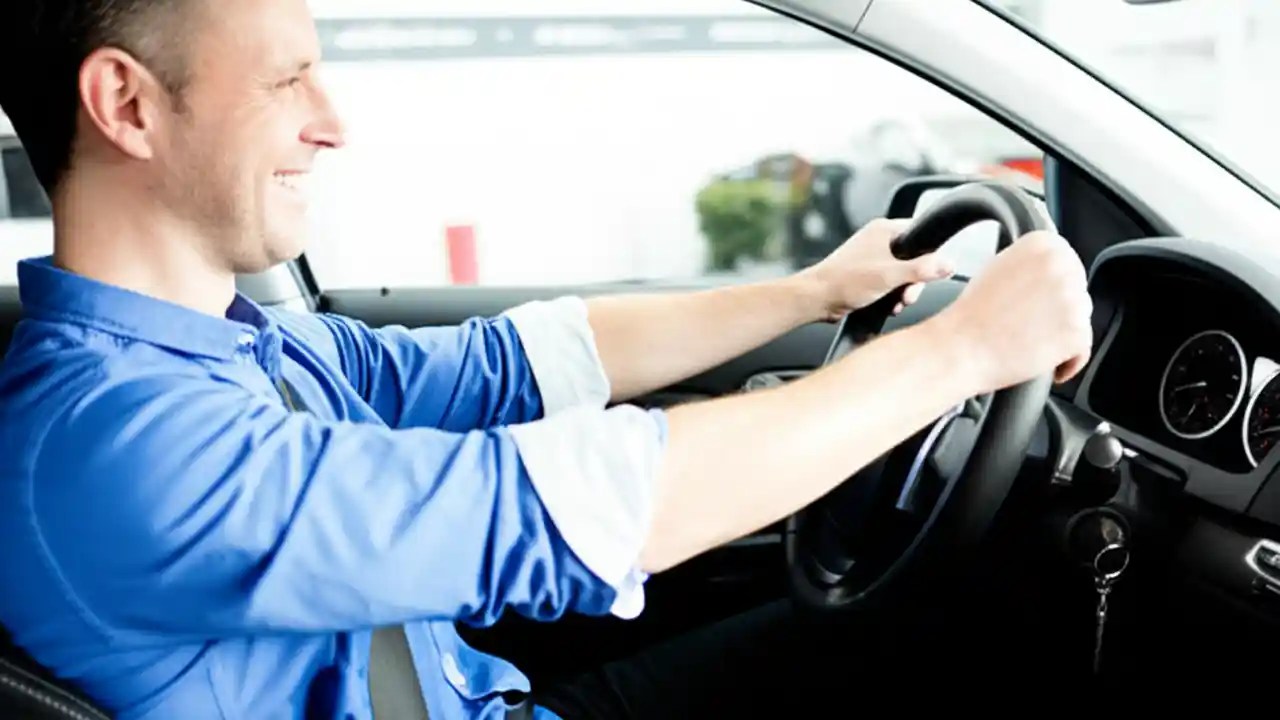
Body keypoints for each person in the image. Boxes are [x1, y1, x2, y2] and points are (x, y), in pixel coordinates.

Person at [0, 1, 1093, 718]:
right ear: (128, 106)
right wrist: (959, 351)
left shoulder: (236, 349)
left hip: (493, 699)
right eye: (288, 82)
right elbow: (572, 504)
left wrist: (812, 293)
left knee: (938, 612)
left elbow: (513, 364)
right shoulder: (116, 444)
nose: (332, 124)